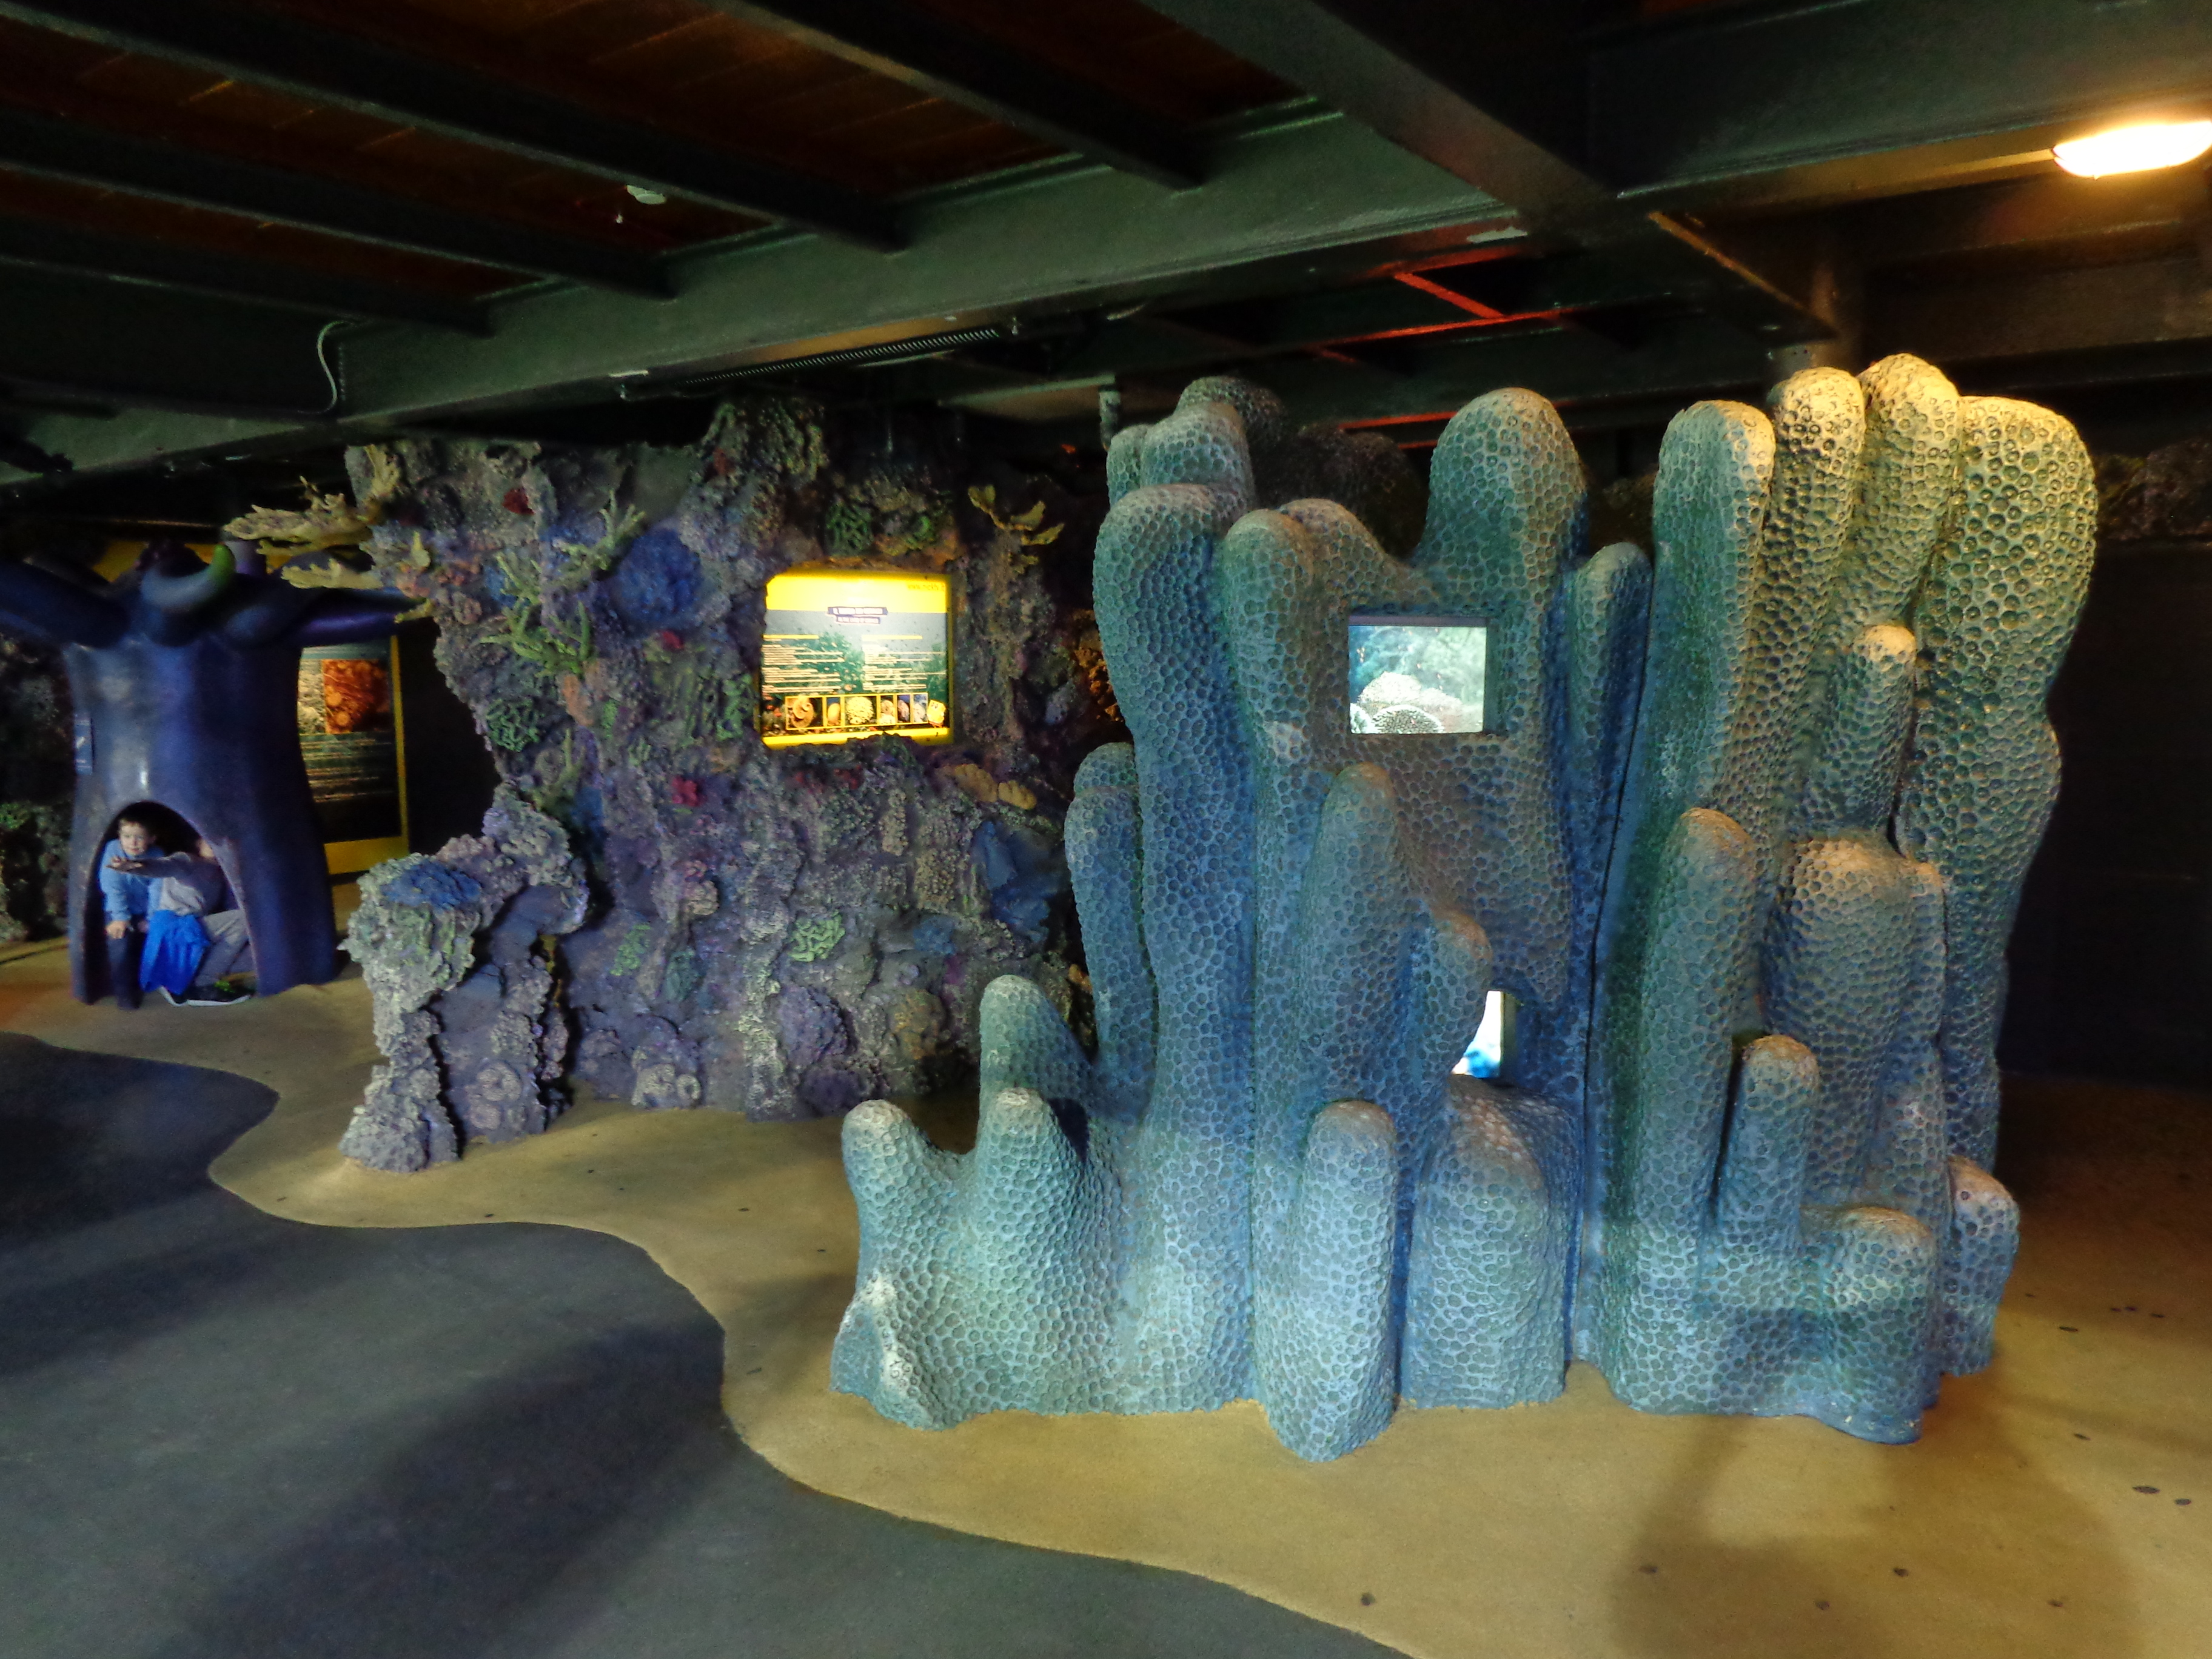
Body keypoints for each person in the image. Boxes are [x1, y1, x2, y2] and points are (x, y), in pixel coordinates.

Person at [109, 836, 255, 1006]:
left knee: (250, 950)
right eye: (210, 842)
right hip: (175, 927)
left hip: (195, 926)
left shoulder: (223, 873)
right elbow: (166, 865)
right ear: (199, 843)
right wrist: (136, 867)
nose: (216, 848)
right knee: (243, 920)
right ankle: (204, 985)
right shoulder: (189, 861)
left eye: (221, 844)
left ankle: (193, 981)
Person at [97, 813, 159, 1009]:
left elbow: (158, 888)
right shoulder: (113, 850)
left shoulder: (157, 855)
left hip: (145, 910)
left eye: (139, 837)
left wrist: (151, 918)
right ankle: (124, 995)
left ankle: (151, 984)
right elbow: (112, 885)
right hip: (118, 910)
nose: (132, 843)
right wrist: (120, 918)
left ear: (151, 839)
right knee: (120, 944)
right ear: (119, 836)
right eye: (127, 836)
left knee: (152, 941)